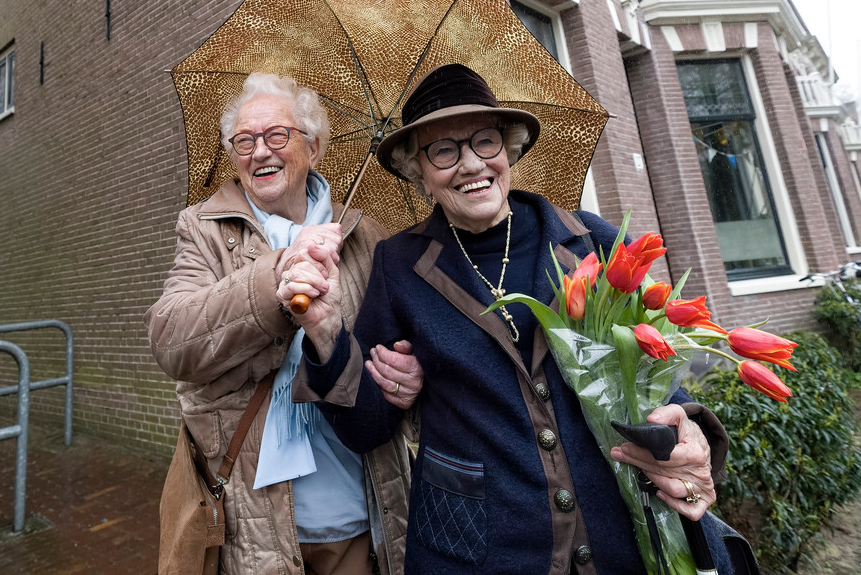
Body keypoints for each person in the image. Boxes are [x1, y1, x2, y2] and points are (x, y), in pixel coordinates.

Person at [288, 64, 753, 574]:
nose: (469, 164)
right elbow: (365, 427)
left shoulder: (591, 241)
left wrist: (689, 429)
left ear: (508, 151)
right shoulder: (399, 266)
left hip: (617, 537)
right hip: (477, 551)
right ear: (418, 174)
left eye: (484, 141)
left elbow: (652, 374)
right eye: (442, 151)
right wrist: (327, 331)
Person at [146, 73, 420, 575]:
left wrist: (409, 372)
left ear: (313, 147)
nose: (260, 152)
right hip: (253, 526)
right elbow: (172, 339)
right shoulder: (203, 230)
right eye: (244, 141)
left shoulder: (370, 239)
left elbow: (401, 354)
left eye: (277, 135)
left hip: (358, 515)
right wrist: (275, 274)